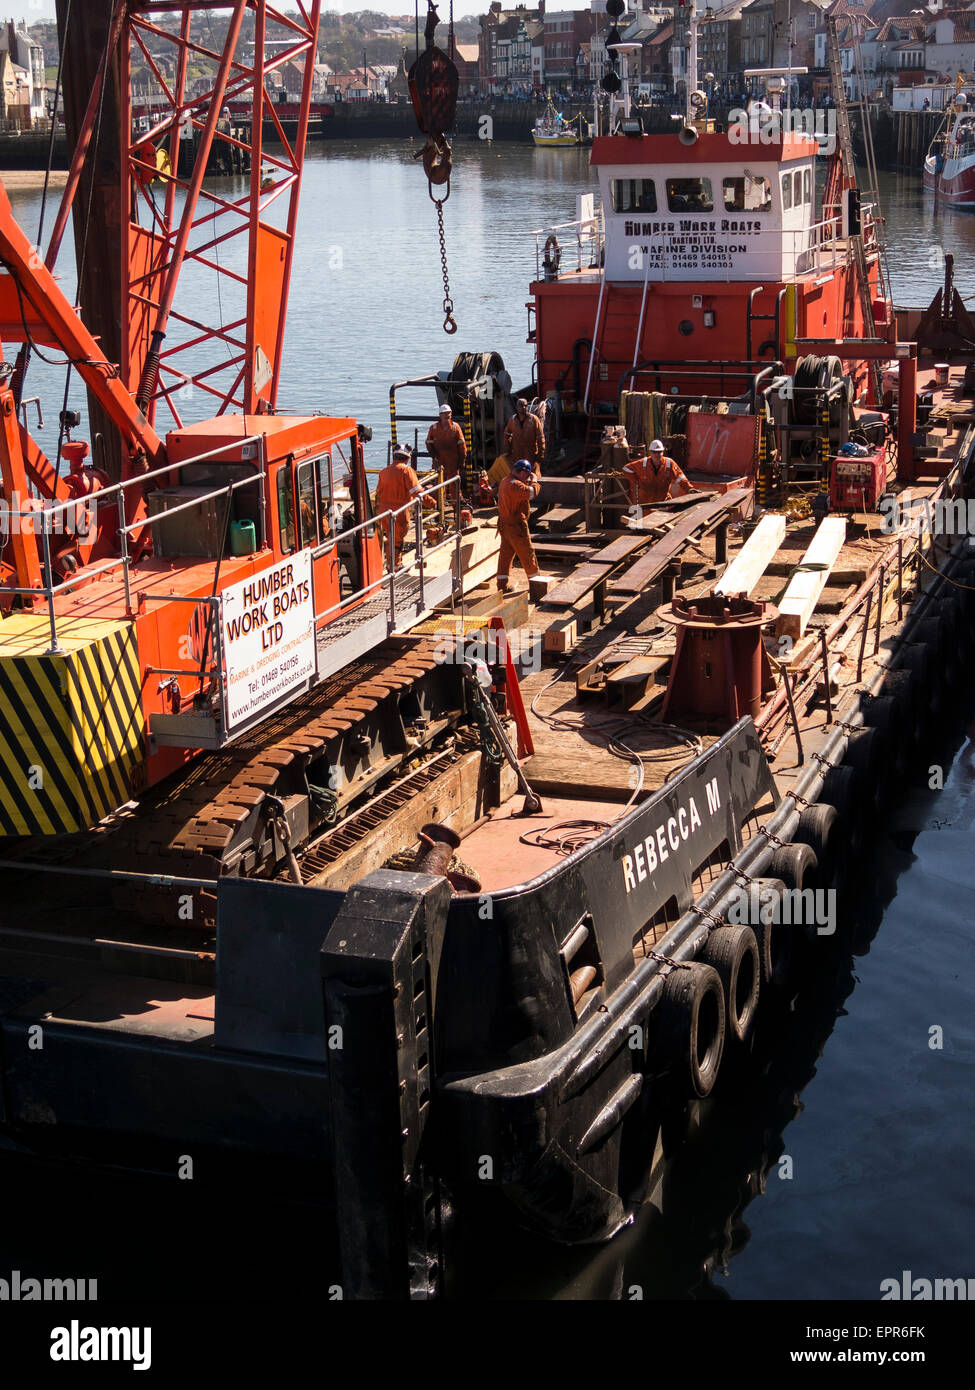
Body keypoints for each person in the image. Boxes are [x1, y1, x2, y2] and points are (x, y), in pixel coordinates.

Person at [375, 444, 423, 571]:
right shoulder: (407, 471)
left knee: (390, 537)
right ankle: (395, 565)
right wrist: (432, 502)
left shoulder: (383, 472)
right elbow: (417, 491)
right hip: (399, 512)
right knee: (397, 539)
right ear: (407, 458)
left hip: (384, 512)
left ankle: (392, 563)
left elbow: (378, 492)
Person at [496, 459, 540, 592]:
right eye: (526, 475)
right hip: (516, 527)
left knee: (505, 556)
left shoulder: (505, 481)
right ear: (521, 472)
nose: (527, 478)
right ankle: (537, 586)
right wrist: (535, 481)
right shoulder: (516, 485)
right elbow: (532, 493)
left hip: (505, 525)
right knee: (527, 555)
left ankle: (502, 586)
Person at [623, 439, 696, 507]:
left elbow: (680, 477)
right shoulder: (643, 463)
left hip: (663, 502)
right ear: (650, 452)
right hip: (646, 504)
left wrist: (689, 489)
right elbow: (626, 469)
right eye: (654, 452)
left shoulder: (669, 463)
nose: (657, 455)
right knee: (647, 520)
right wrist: (637, 482)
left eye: (659, 452)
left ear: (663, 452)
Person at [426, 403, 467, 512]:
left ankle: (456, 507)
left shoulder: (455, 427)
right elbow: (428, 443)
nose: (447, 415)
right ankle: (440, 508)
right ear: (440, 415)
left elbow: (462, 445)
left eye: (448, 413)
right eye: (444, 414)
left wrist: (462, 459)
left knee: (454, 485)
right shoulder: (434, 428)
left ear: (451, 414)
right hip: (439, 461)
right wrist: (433, 455)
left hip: (453, 461)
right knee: (439, 484)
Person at [503, 397, 545, 475]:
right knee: (518, 476)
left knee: (533, 476)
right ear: (517, 407)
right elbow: (506, 436)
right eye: (521, 406)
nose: (524, 407)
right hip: (517, 457)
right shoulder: (512, 420)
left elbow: (540, 438)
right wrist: (508, 450)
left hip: (531, 456)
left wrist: (540, 455)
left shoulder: (534, 419)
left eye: (525, 405)